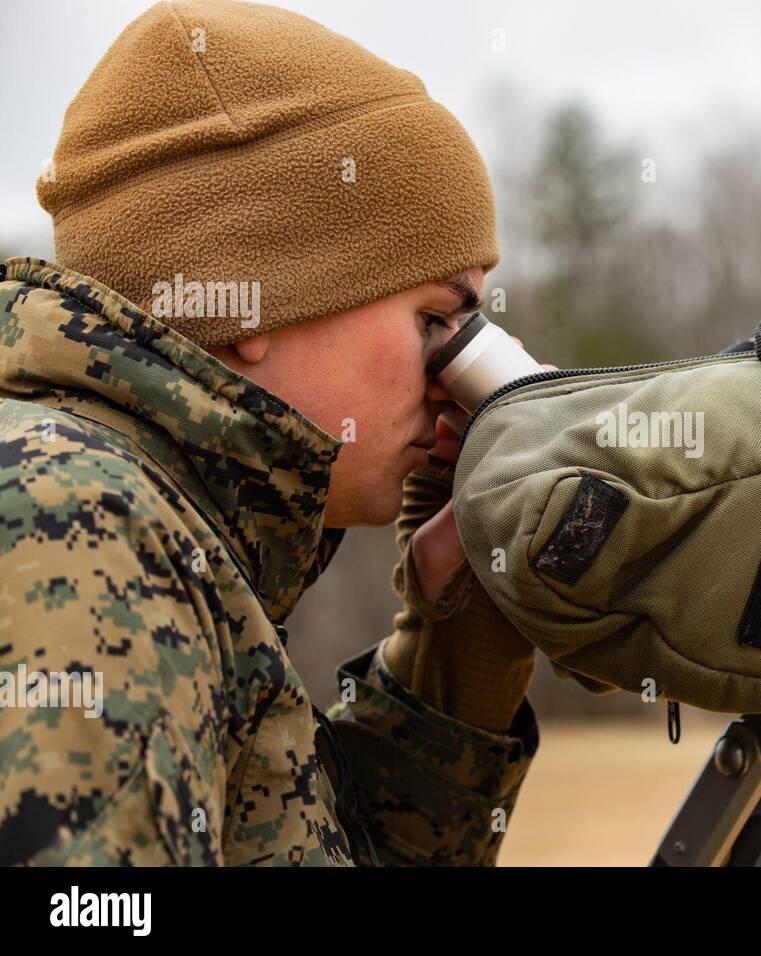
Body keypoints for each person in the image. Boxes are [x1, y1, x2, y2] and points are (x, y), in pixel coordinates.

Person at [0, 0, 541, 866]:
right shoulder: (71, 522)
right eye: (438, 319)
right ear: (249, 295)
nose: (454, 387)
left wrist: (463, 639)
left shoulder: (171, 534)